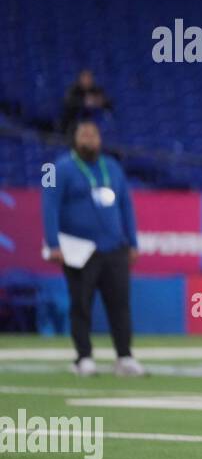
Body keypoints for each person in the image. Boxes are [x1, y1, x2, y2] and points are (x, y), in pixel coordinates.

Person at [41, 120, 143, 377]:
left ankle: (125, 356)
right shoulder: (56, 168)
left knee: (120, 305)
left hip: (114, 248)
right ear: (74, 139)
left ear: (100, 139)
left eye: (93, 134)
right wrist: (52, 243)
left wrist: (132, 241)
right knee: (81, 305)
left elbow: (126, 205)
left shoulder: (113, 167)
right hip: (79, 250)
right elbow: (49, 204)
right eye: (84, 134)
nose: (89, 139)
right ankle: (83, 358)